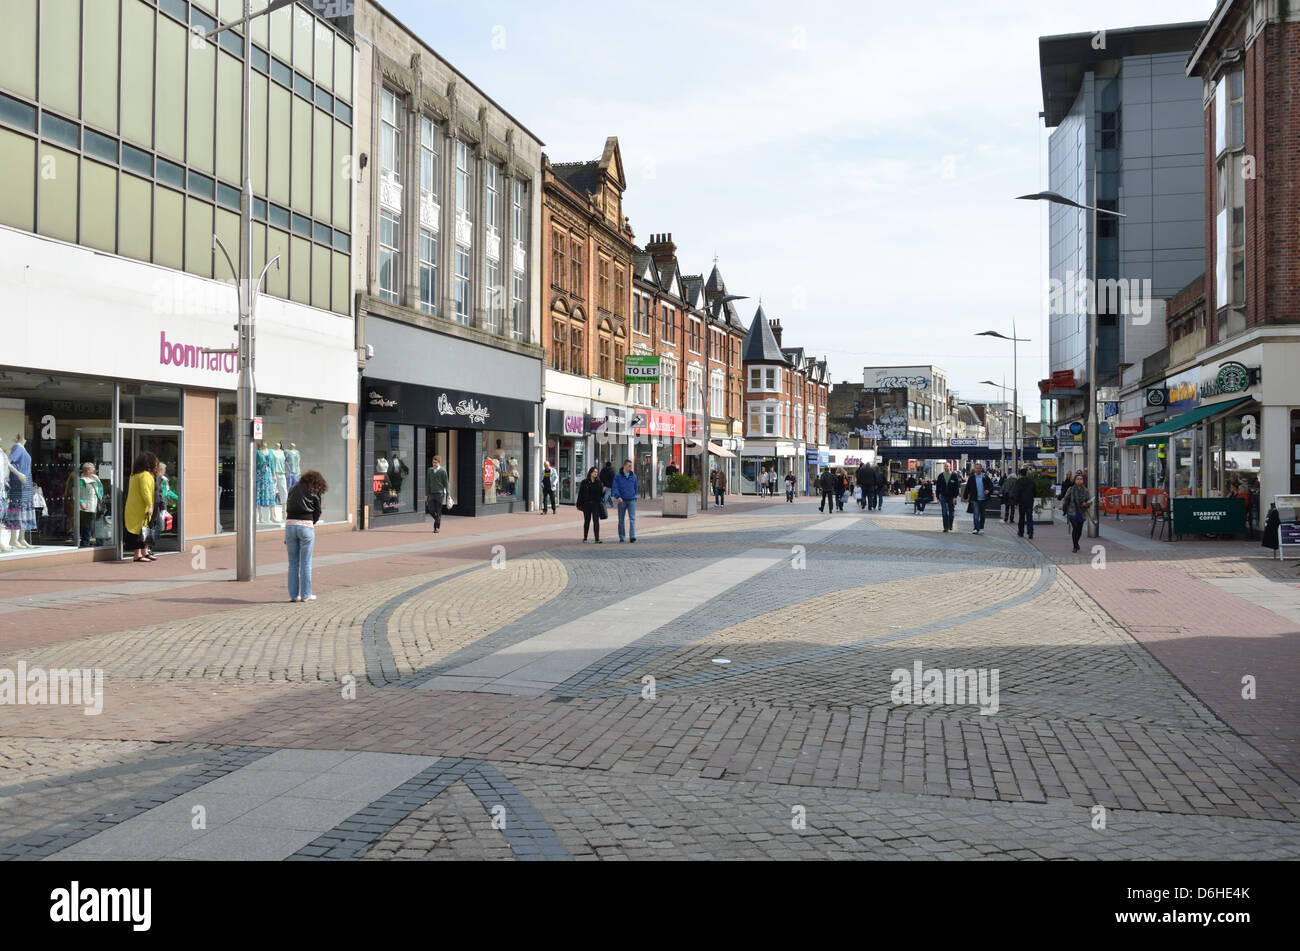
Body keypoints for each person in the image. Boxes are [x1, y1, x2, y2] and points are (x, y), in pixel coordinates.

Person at [285, 469, 327, 601]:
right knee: (306, 563)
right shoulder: (314, 490)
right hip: (306, 526)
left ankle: (293, 595)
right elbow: (318, 510)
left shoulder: (292, 488)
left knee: (292, 563)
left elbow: (288, 506)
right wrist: (311, 522)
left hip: (290, 525)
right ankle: (306, 595)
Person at [123, 451, 157, 562]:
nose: (156, 465)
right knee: (140, 530)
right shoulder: (145, 476)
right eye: (155, 463)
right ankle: (138, 555)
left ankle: (144, 552)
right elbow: (145, 492)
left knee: (140, 530)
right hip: (141, 508)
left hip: (133, 507)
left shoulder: (135, 475)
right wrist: (150, 505)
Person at [1061, 472, 1091, 553]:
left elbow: (1089, 500)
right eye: (1078, 479)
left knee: (1080, 530)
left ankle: (1077, 543)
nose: (1079, 480)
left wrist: (1087, 503)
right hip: (1072, 511)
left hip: (1081, 511)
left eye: (1081, 479)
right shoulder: (1071, 489)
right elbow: (1066, 498)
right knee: (1075, 527)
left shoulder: (1085, 490)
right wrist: (1062, 505)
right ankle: (1075, 546)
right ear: (1075, 480)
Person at [962, 462, 993, 535]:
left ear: (981, 469)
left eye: (979, 468)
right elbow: (967, 488)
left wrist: (988, 490)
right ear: (974, 469)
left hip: (983, 499)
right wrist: (965, 497)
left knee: (982, 515)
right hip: (975, 499)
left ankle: (981, 528)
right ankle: (976, 528)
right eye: (976, 468)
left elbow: (991, 486)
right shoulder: (972, 478)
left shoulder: (985, 477)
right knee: (976, 514)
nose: (978, 470)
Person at [77, 462, 102, 548]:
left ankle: (99, 543)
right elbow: (78, 493)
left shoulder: (96, 478)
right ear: (86, 470)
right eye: (90, 469)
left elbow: (100, 488)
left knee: (98, 525)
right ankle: (85, 544)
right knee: (87, 527)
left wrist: (100, 497)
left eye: (92, 469)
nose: (92, 471)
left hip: (96, 504)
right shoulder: (82, 480)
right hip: (87, 505)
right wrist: (81, 502)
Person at [612, 459, 638, 542]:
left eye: (631, 466)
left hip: (631, 500)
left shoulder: (633, 476)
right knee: (621, 520)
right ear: (624, 466)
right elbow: (615, 487)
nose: (631, 467)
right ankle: (622, 537)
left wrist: (634, 496)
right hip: (621, 500)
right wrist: (618, 496)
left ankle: (632, 536)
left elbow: (636, 487)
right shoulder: (618, 476)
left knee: (632, 519)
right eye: (629, 466)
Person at [577, 465, 605, 543]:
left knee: (596, 521)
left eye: (596, 472)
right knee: (587, 521)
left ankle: (597, 539)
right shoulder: (584, 482)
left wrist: (603, 492)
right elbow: (581, 494)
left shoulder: (599, 482)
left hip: (596, 504)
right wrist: (578, 504)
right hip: (587, 504)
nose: (596, 473)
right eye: (594, 472)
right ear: (590, 473)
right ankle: (585, 537)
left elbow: (600, 496)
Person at [425, 455, 449, 533]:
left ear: (439, 463)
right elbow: (427, 483)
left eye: (435, 463)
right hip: (431, 493)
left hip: (440, 494)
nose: (434, 464)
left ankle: (436, 527)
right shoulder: (429, 470)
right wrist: (426, 494)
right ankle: (437, 519)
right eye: (433, 462)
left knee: (438, 511)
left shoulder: (443, 471)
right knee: (430, 509)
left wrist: (448, 494)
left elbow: (446, 484)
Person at [935, 462, 960, 532]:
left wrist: (955, 497)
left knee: (951, 512)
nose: (946, 468)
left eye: (947, 466)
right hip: (943, 496)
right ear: (944, 467)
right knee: (944, 512)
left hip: (952, 497)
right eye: (945, 466)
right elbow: (938, 487)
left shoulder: (954, 475)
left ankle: (950, 525)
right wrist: (937, 497)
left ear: (950, 467)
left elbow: (957, 487)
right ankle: (946, 527)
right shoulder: (940, 476)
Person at [1014, 467, 1037, 539]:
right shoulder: (1031, 481)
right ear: (1026, 474)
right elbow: (1035, 492)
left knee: (1022, 517)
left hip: (1021, 502)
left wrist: (1016, 502)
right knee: (1029, 517)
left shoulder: (1018, 482)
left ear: (1020, 474)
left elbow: (1016, 492)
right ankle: (1030, 532)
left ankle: (1021, 532)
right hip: (1030, 501)